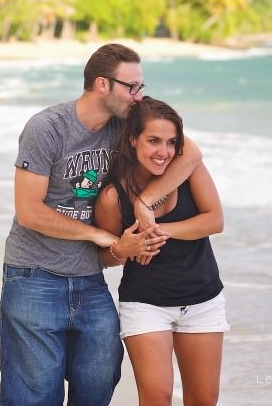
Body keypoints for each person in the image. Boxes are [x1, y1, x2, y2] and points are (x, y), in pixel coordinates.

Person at [0, 43, 203, 406]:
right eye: (132, 87)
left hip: (90, 278)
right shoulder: (47, 127)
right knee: (34, 394)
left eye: (141, 86)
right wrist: (101, 235)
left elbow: (190, 152)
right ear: (102, 84)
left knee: (99, 381)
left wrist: (144, 202)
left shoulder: (125, 125)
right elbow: (29, 211)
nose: (139, 96)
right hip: (34, 275)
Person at [96, 97, 228, 406]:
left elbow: (215, 220)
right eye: (153, 140)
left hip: (203, 298)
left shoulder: (188, 170)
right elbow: (104, 257)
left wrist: (157, 231)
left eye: (171, 143)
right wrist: (123, 248)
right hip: (145, 302)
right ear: (133, 140)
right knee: (157, 398)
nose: (163, 152)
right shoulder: (113, 196)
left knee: (203, 400)